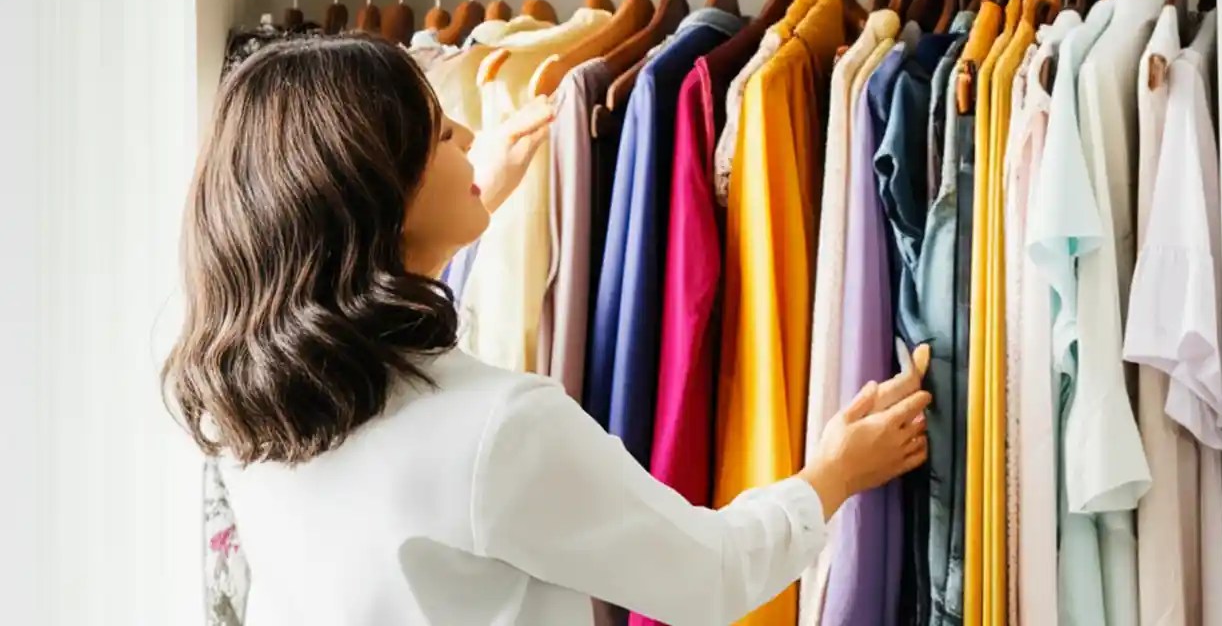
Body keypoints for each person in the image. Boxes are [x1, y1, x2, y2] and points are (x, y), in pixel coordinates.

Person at [164, 34, 932, 626]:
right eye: (438, 135)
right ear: (378, 198)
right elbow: (709, 576)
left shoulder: (246, 401)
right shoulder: (498, 429)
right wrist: (833, 475)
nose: (467, 134)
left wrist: (454, 218)